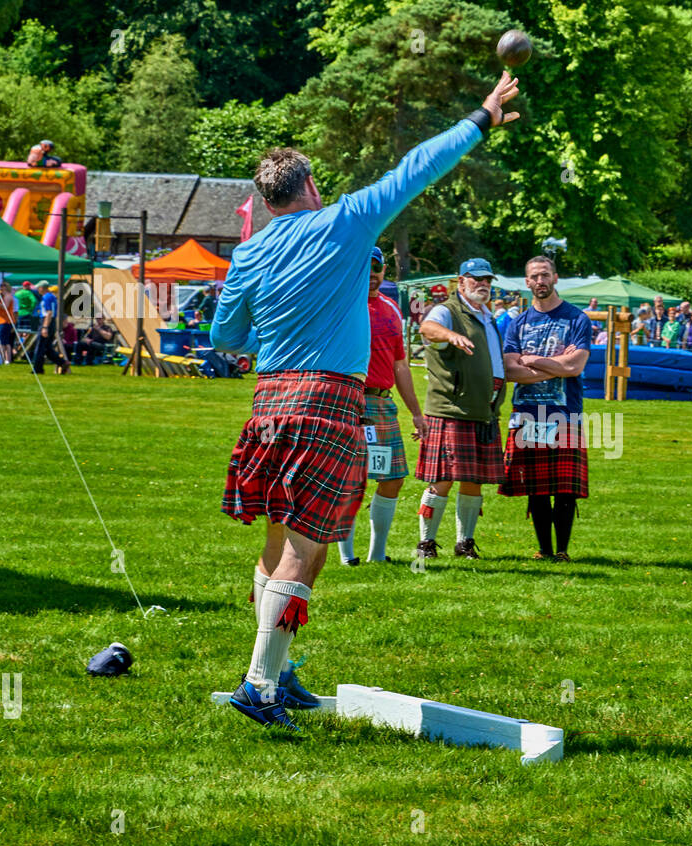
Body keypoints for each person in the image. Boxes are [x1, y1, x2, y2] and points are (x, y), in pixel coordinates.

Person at [211, 72, 521, 731]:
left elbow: (225, 337)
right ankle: (259, 684)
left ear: (268, 201)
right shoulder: (344, 223)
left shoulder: (250, 251)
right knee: (304, 544)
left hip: (269, 402)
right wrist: (481, 118)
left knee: (292, 541)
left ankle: (279, 667)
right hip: (327, 401)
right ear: (312, 187)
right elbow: (414, 170)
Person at [415, 257, 510, 560]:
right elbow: (427, 328)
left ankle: (464, 543)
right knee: (442, 478)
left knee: (474, 480)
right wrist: (451, 335)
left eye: (487, 280)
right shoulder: (448, 311)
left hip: (483, 410)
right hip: (452, 410)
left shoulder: (486, 316)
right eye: (476, 278)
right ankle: (426, 544)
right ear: (461, 280)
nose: (482, 284)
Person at [337, 246, 425, 566]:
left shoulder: (391, 308)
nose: (372, 276)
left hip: (382, 403)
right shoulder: (342, 305)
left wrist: (416, 412)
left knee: (392, 477)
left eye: (377, 270)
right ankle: (347, 556)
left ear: (384, 271)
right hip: (349, 401)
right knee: (349, 479)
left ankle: (377, 554)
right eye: (365, 269)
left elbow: (400, 364)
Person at [499, 256, 592, 560]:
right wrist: (556, 366)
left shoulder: (577, 319)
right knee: (536, 487)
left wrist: (531, 359)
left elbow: (576, 365)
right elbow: (510, 371)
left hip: (565, 412)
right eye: (534, 277)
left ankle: (562, 551)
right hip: (527, 412)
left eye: (545, 275)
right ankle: (544, 550)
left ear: (555, 278)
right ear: (527, 282)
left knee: (564, 489)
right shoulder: (518, 323)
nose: (540, 281)